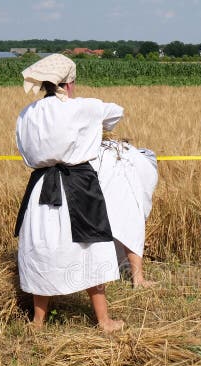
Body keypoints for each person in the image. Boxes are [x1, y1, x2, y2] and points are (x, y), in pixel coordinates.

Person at [14, 53, 124, 332]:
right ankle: (104, 321)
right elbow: (116, 112)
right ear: (70, 83)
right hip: (78, 186)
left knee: (44, 247)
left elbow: (24, 149)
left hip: (41, 188)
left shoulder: (27, 113)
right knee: (90, 249)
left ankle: (38, 321)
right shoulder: (84, 107)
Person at [91, 139, 159, 288]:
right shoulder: (131, 163)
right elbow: (132, 221)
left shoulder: (118, 153)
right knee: (130, 223)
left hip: (94, 172)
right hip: (111, 172)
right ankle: (138, 279)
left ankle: (98, 272)